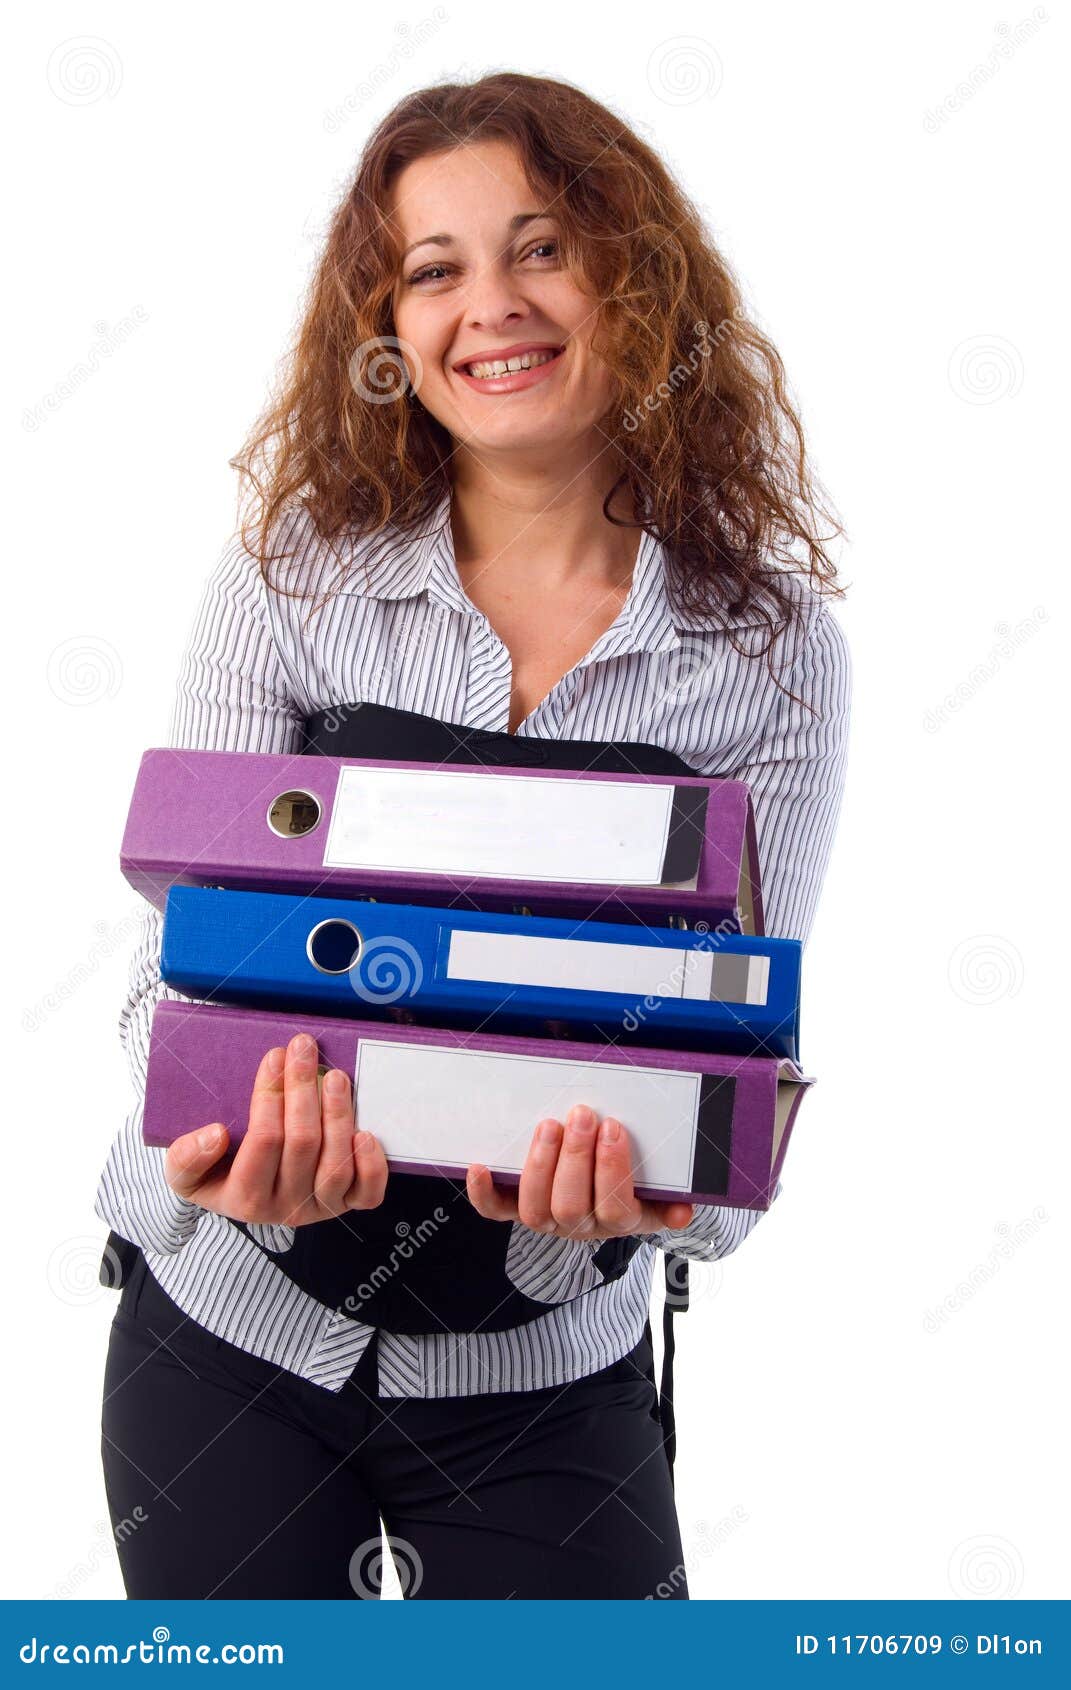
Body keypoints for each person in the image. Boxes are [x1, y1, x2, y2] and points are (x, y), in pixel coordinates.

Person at [95, 70, 851, 1600]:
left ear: (633, 275)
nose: (490, 306)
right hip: (226, 1332)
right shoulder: (287, 580)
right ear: (387, 329)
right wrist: (227, 1143)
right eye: (434, 269)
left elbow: (738, 1073)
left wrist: (660, 1196)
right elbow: (164, 992)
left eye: (542, 247)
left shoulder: (769, 653)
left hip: (544, 1382)